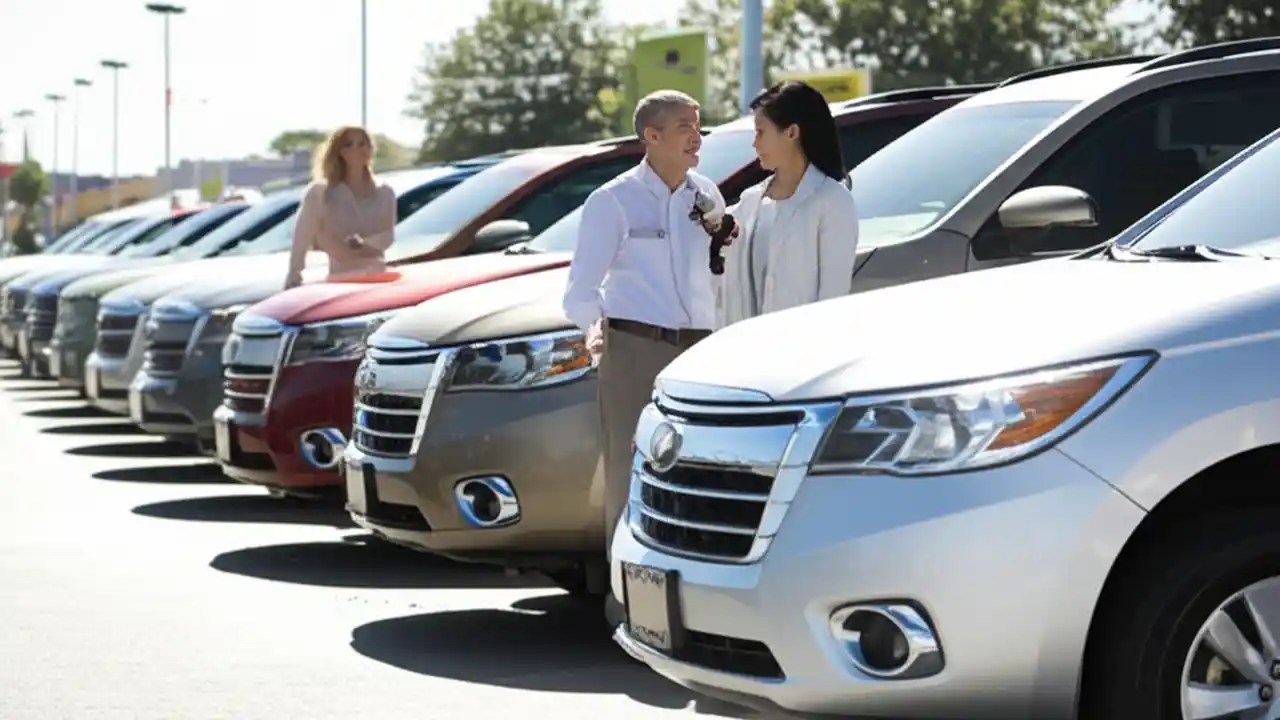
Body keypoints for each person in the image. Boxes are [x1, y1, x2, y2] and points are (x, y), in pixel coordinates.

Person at [561, 90, 726, 620]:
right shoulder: (612, 201)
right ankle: (628, 606)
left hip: (700, 352)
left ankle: (698, 606)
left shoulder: (708, 197)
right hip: (634, 347)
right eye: (684, 126)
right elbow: (580, 290)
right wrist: (594, 330)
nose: (696, 135)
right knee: (632, 475)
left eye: (698, 124)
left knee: (701, 475)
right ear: (650, 137)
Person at [715, 80, 860, 327]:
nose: (754, 144)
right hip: (744, 351)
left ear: (792, 132)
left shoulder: (832, 201)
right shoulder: (751, 202)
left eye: (760, 132)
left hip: (799, 353)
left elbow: (833, 297)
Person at [285, 125, 397, 289]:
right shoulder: (320, 193)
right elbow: (302, 238)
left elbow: (388, 235)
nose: (358, 149)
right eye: (349, 144)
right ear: (339, 152)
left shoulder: (385, 193)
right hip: (339, 281)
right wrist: (295, 274)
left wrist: (365, 243)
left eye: (363, 143)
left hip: (378, 280)